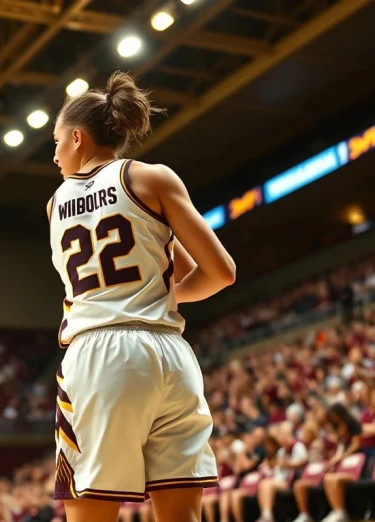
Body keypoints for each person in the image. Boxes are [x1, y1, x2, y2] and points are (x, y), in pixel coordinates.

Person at [48, 71, 236, 522]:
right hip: (170, 354)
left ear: (77, 138)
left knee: (91, 513)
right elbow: (220, 273)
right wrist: (160, 299)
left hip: (99, 353)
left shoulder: (56, 202)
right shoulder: (152, 178)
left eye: (55, 142)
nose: (53, 155)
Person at [292, 403, 363, 522]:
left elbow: (356, 445)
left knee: (331, 478)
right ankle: (337, 511)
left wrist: (341, 457)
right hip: (344, 460)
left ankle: (340, 512)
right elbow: (341, 447)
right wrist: (336, 459)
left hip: (356, 459)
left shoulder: (353, 423)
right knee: (328, 477)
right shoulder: (336, 428)